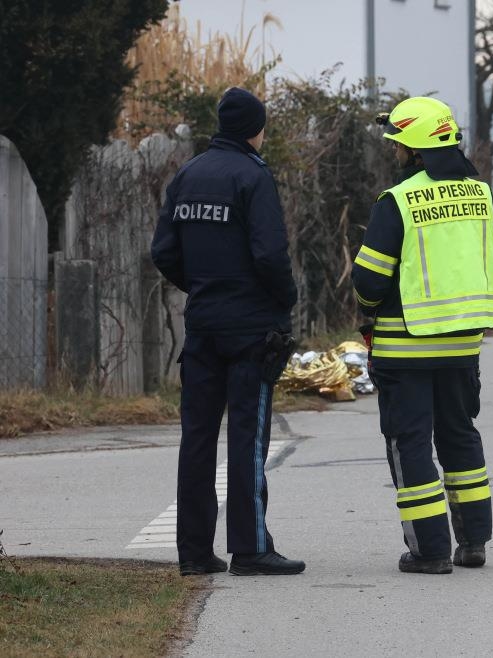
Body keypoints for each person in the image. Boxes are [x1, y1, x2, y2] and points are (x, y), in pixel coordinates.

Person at [151, 87, 305, 577]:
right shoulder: (253, 176)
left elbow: (163, 251)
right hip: (250, 330)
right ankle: (251, 548)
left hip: (202, 326)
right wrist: (284, 300)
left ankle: (194, 553)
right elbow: (270, 255)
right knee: (247, 438)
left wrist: (201, 286)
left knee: (197, 438)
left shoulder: (188, 174)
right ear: (255, 129)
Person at [353, 97, 493, 574]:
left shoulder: (398, 201)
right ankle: (473, 542)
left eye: (397, 143)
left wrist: (370, 309)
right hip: (463, 344)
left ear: (414, 149)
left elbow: (369, 280)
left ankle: (430, 550)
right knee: (460, 434)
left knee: (410, 443)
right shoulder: (480, 194)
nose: (394, 150)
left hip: (405, 347)